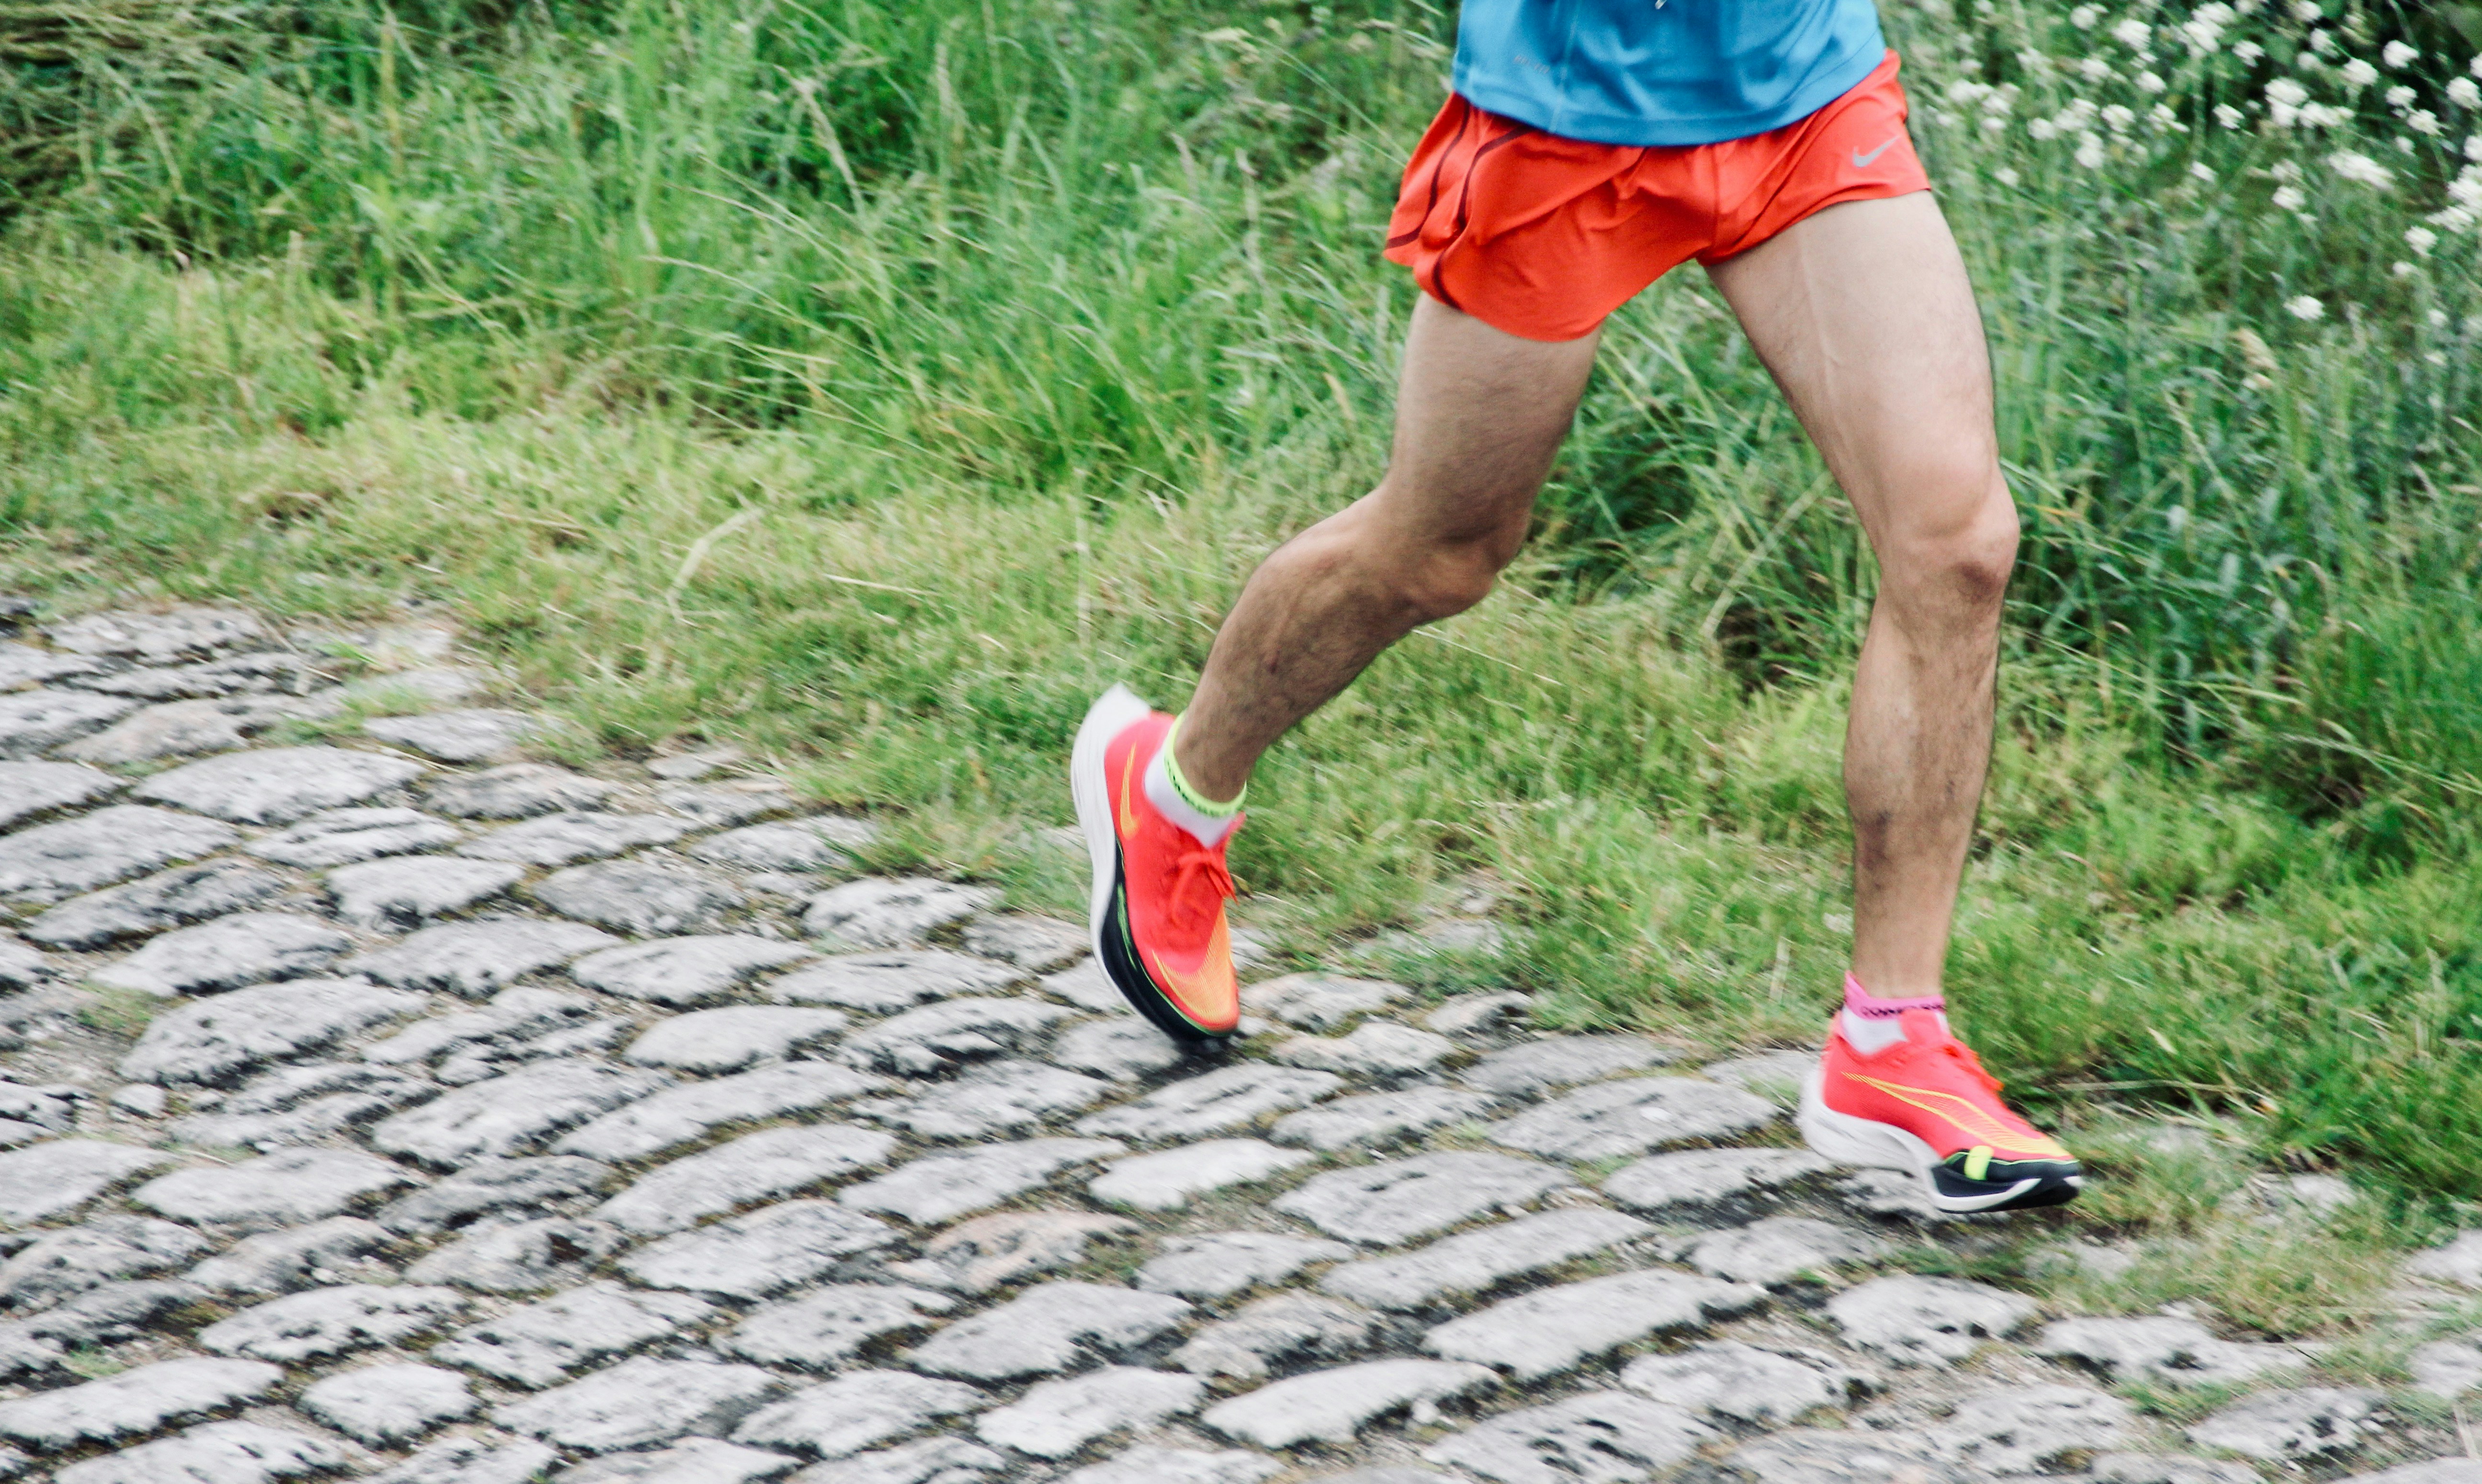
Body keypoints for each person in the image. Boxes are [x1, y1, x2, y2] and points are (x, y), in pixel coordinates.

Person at [1069, 0, 2081, 1214]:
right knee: (1440, 551)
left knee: (1957, 544)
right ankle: (1175, 790)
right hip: (1568, 118)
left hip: (1806, 91)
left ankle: (1892, 1043)